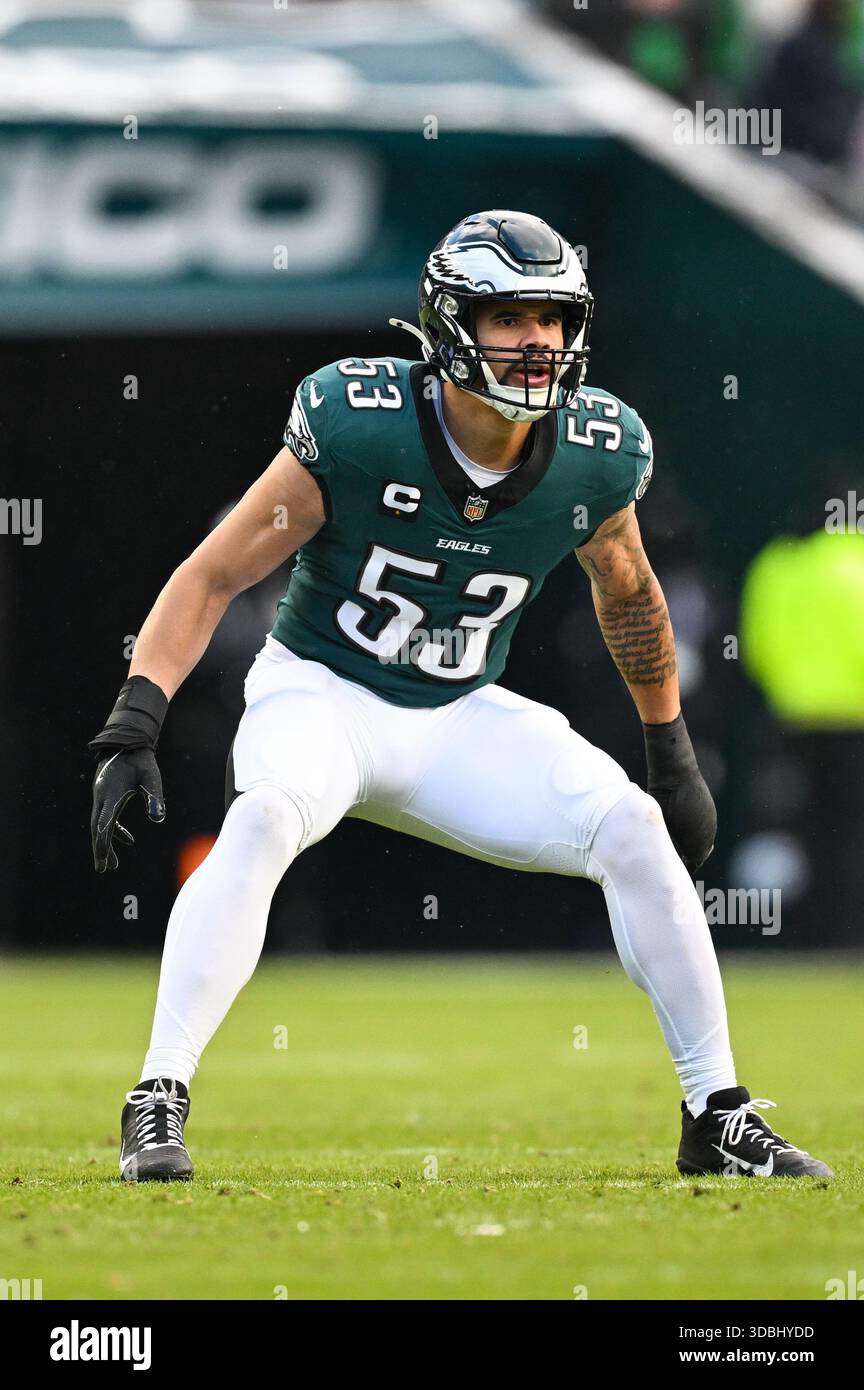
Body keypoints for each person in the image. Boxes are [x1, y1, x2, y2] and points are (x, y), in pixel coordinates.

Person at [88, 210, 832, 1183]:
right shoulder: (359, 423)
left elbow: (631, 593)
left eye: (555, 320)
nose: (538, 343)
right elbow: (212, 574)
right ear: (447, 325)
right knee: (264, 818)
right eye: (510, 316)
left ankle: (716, 1112)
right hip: (322, 692)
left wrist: (670, 753)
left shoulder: (595, 449)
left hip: (458, 714)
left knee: (634, 829)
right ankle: (158, 1095)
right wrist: (134, 719)